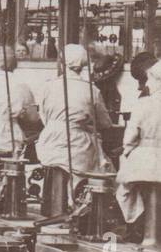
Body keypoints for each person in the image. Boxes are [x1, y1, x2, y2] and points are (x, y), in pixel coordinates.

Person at [35, 44, 113, 214]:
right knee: (103, 166)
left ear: (61, 63)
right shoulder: (92, 90)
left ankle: (54, 209)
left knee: (58, 164)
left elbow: (43, 116)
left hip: (51, 139)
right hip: (80, 144)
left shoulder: (48, 87)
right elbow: (105, 123)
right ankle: (81, 209)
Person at [117, 59, 161, 246]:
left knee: (128, 188)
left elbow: (131, 136)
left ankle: (145, 235)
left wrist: (127, 150)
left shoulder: (144, 104)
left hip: (145, 158)